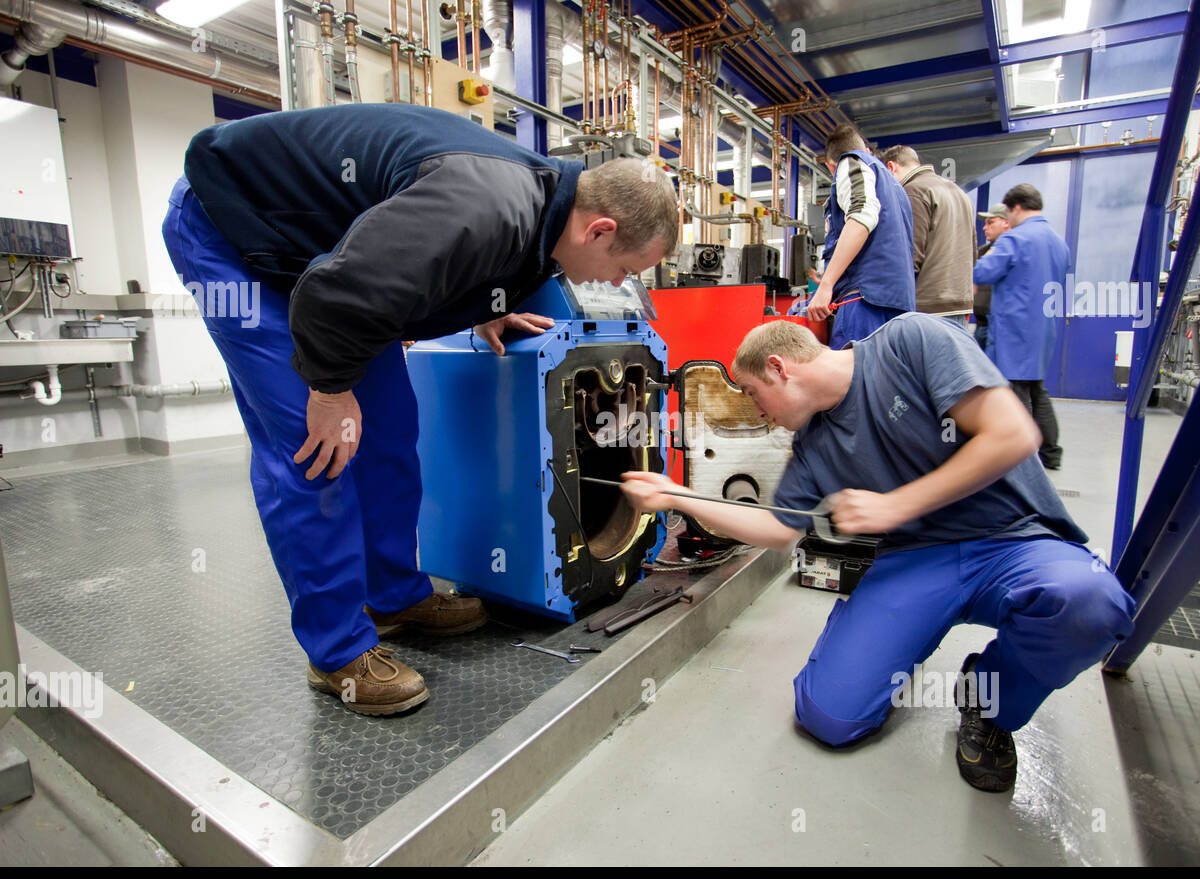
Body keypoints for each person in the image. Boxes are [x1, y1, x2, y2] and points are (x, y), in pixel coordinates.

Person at [163, 103, 677, 716]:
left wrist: (485, 302)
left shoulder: (544, 205)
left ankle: (393, 596)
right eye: (625, 269)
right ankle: (337, 651)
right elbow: (336, 297)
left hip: (331, 261)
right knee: (314, 449)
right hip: (235, 230)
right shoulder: (483, 204)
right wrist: (327, 393)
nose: (619, 283)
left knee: (388, 431)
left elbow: (436, 261)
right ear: (599, 230)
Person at [619, 318, 1134, 793]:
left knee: (1089, 603)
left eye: (754, 394)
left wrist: (896, 505)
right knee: (830, 718)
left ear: (779, 368)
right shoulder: (814, 443)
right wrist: (675, 495)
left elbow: (1014, 434)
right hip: (916, 561)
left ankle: (990, 698)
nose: (758, 412)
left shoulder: (913, 342)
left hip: (1014, 540)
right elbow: (777, 530)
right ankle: (896, 647)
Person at [971, 184, 1068, 470]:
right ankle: (1051, 455)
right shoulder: (1058, 242)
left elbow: (982, 272)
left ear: (1014, 209)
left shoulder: (1014, 240)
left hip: (1014, 330)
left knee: (1015, 395)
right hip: (1043, 329)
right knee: (1038, 390)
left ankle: (1021, 463)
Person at [807, 125, 915, 349]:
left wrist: (826, 286)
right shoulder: (895, 187)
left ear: (830, 165)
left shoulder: (851, 161)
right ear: (866, 148)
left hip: (864, 302)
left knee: (852, 379)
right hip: (899, 304)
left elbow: (862, 216)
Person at [878, 145, 977, 329]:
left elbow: (910, 257)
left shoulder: (913, 191)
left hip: (928, 308)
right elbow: (972, 253)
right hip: (960, 305)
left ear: (891, 167)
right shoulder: (959, 192)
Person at [972, 203, 1011, 351]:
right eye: (985, 223)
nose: (985, 227)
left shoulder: (1013, 251)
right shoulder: (982, 252)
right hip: (981, 326)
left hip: (1000, 329)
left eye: (990, 222)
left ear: (1006, 222)